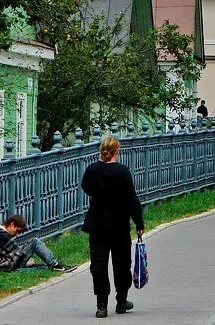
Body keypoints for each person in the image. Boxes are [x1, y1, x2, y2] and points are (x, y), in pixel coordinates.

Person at [81, 135, 144, 319]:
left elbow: (87, 188)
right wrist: (139, 223)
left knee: (99, 265)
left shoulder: (92, 170)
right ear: (117, 151)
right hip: (119, 225)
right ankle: (121, 302)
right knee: (122, 264)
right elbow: (132, 199)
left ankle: (102, 306)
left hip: (97, 225)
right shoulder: (122, 171)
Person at [0, 214, 73, 274]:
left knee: (43, 267)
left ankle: (54, 266)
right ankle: (54, 264)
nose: (17, 234)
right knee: (34, 242)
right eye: (17, 231)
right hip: (3, 268)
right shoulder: (2, 236)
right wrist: (26, 262)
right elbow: (18, 252)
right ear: (11, 224)